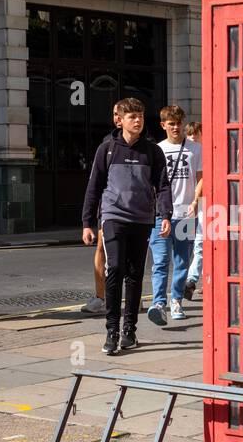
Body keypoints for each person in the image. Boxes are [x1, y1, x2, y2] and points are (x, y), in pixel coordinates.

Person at [81, 98, 172, 355]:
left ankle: (129, 330)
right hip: (113, 216)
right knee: (116, 268)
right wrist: (88, 222)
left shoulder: (152, 152)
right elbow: (94, 186)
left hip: (142, 218)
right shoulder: (107, 149)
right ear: (120, 119)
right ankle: (112, 329)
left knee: (134, 274)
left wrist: (165, 214)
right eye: (132, 116)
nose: (138, 120)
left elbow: (163, 186)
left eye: (141, 116)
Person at [146, 105, 202, 325]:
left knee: (182, 261)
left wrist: (196, 201)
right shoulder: (156, 150)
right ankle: (159, 303)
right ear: (163, 125)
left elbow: (202, 178)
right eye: (171, 124)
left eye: (179, 123)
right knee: (160, 261)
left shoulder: (196, 149)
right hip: (161, 215)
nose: (176, 127)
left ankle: (176, 300)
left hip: (186, 213)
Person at [82, 103, 123, 316]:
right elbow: (96, 182)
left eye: (121, 114)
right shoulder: (106, 143)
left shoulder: (146, 145)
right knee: (101, 248)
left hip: (134, 210)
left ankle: (131, 295)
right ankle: (100, 297)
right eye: (115, 114)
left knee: (128, 255)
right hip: (108, 208)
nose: (117, 117)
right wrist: (87, 220)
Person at [182, 121, 205, 301]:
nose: (192, 139)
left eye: (196, 135)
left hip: (210, 205)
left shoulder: (208, 153)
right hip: (191, 205)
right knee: (196, 244)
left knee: (202, 244)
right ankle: (192, 279)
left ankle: (192, 279)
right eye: (190, 136)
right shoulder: (188, 154)